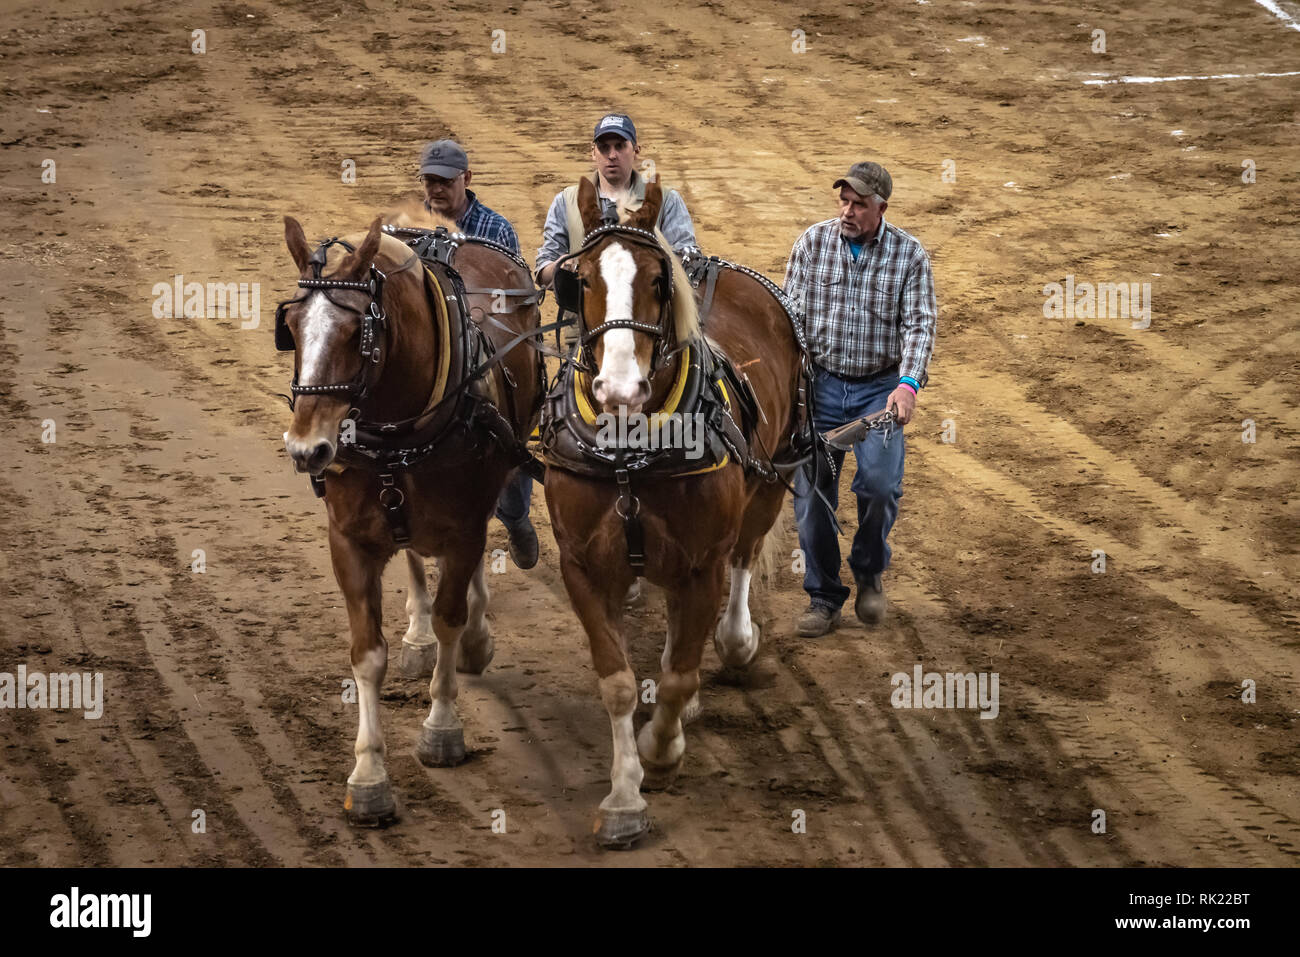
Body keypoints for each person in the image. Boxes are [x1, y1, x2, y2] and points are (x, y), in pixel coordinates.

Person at [783, 161, 937, 637]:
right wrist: (794, 385)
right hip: (822, 386)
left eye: (859, 204)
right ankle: (824, 596)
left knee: (879, 486)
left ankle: (869, 567)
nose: (848, 211)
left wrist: (907, 385)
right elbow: (790, 317)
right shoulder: (812, 244)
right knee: (811, 497)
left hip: (879, 389)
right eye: (844, 201)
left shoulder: (910, 256)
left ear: (881, 208)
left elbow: (919, 325)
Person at [418, 139, 539, 569]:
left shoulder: (497, 229)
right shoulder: (413, 225)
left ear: (466, 180)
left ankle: (516, 517)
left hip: (490, 348)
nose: (435, 190)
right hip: (438, 349)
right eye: (429, 181)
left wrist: (479, 311)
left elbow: (521, 298)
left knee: (508, 429)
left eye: (444, 182)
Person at [535, 113, 701, 348]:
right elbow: (543, 270)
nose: (612, 155)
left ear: (636, 150)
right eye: (604, 147)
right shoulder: (566, 202)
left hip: (652, 340)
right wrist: (565, 265)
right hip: (586, 342)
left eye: (620, 146)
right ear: (593, 153)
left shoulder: (666, 201)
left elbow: (690, 264)